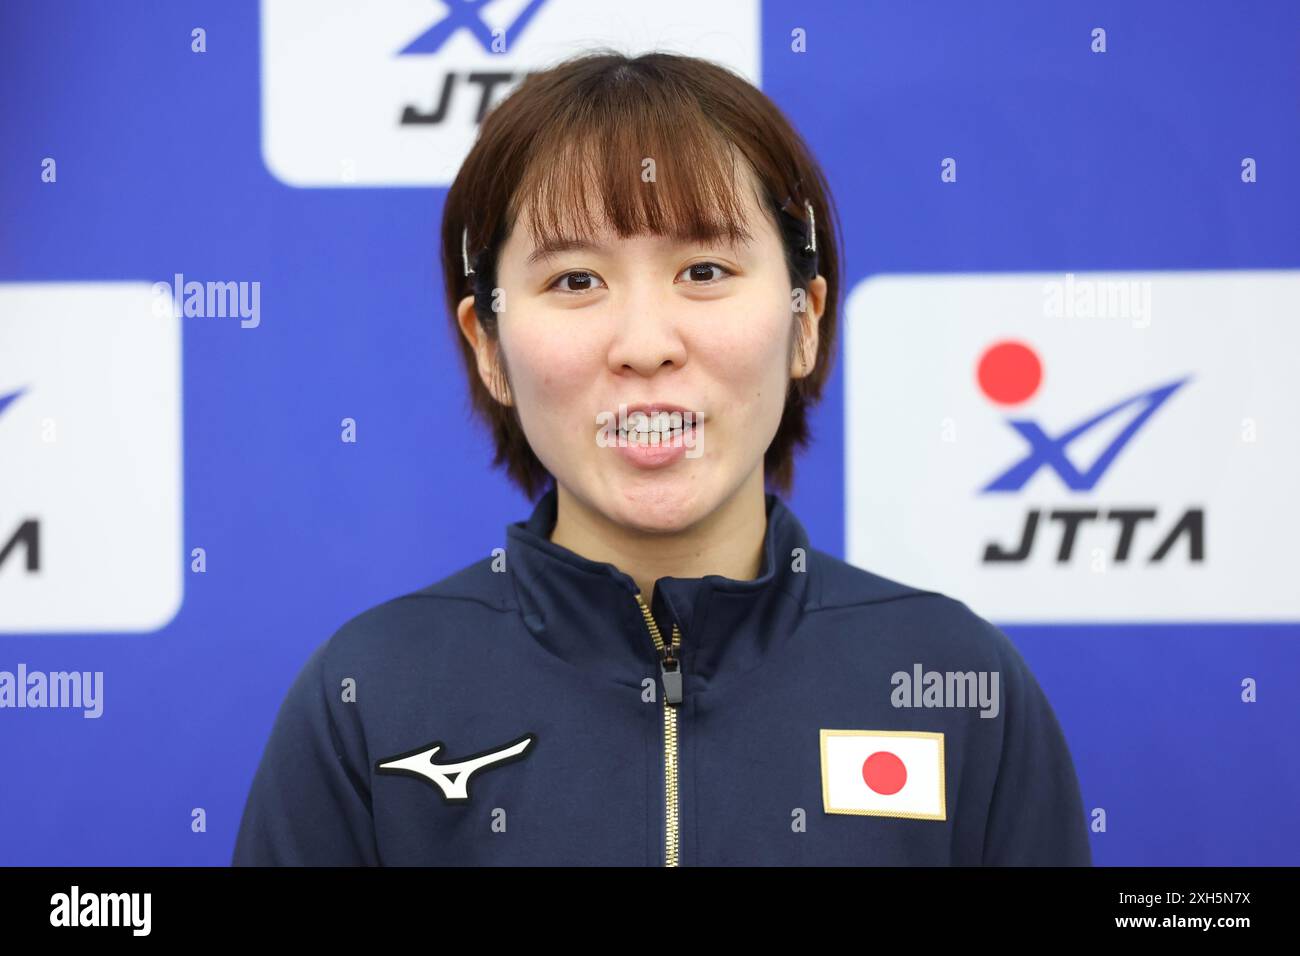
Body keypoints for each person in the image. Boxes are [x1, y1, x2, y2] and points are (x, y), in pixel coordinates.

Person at [232, 50, 1091, 866]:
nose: (645, 344)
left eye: (706, 269)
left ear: (805, 320)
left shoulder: (956, 682)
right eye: (575, 280)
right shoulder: (369, 697)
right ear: (488, 345)